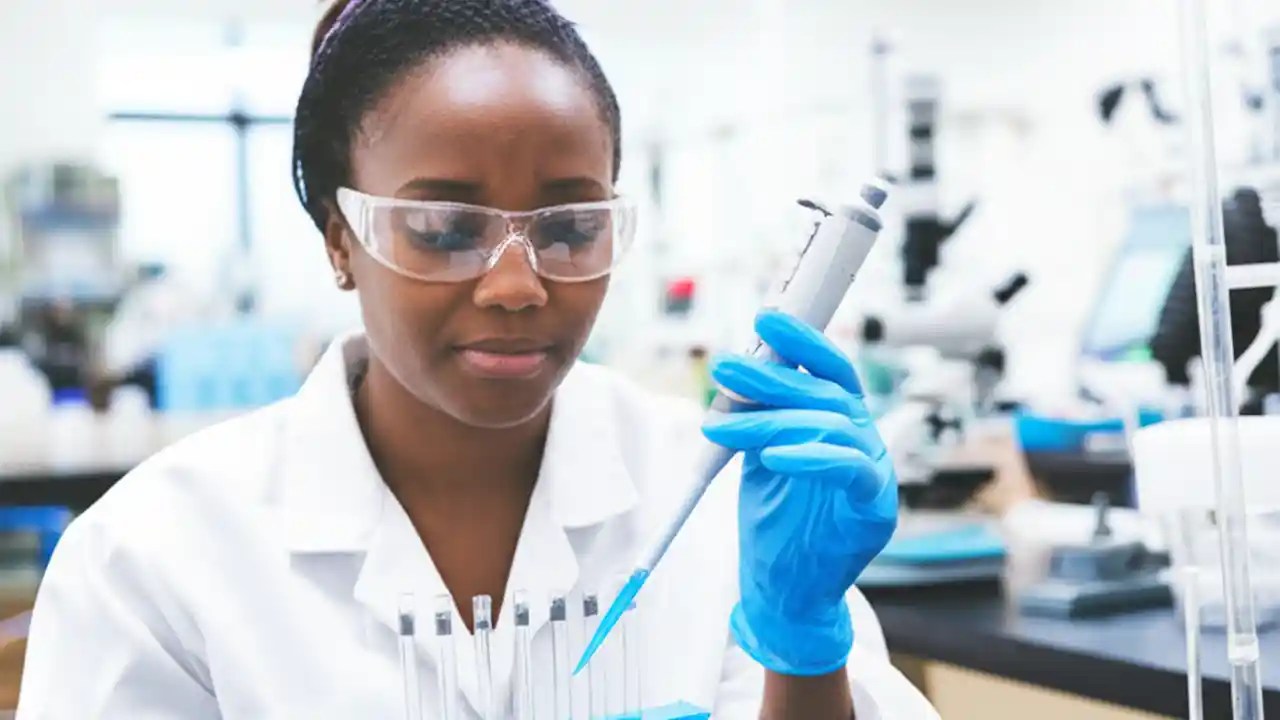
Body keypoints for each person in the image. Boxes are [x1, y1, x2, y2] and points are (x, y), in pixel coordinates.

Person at [18, 1, 934, 718]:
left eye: (572, 227)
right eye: (447, 229)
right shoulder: (155, 557)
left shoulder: (720, 503)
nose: (515, 287)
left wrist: (804, 648)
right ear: (341, 240)